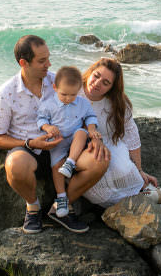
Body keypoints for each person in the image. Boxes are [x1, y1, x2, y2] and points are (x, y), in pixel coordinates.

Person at [0, 35, 110, 234]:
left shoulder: (59, 80)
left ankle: (61, 206)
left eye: (48, 58)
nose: (49, 64)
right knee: (15, 165)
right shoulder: (6, 93)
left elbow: (85, 109)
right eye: (42, 60)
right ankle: (33, 207)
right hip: (29, 151)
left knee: (100, 160)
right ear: (24, 63)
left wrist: (95, 136)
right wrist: (31, 143)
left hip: (67, 149)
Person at [79, 57, 159, 208]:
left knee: (124, 170)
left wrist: (139, 169)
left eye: (105, 83)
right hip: (78, 147)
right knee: (98, 187)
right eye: (96, 76)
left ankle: (136, 195)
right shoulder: (72, 89)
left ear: (112, 87)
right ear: (90, 72)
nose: (97, 84)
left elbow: (131, 133)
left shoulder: (117, 103)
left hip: (108, 143)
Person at [37, 66, 100, 218]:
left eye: (73, 94)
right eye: (63, 94)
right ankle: (61, 197)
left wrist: (91, 128)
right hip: (57, 141)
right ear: (55, 87)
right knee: (56, 165)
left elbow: (91, 116)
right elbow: (41, 119)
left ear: (79, 90)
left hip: (75, 140)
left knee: (81, 132)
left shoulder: (83, 103)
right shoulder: (48, 104)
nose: (68, 98)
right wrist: (48, 127)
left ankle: (70, 162)